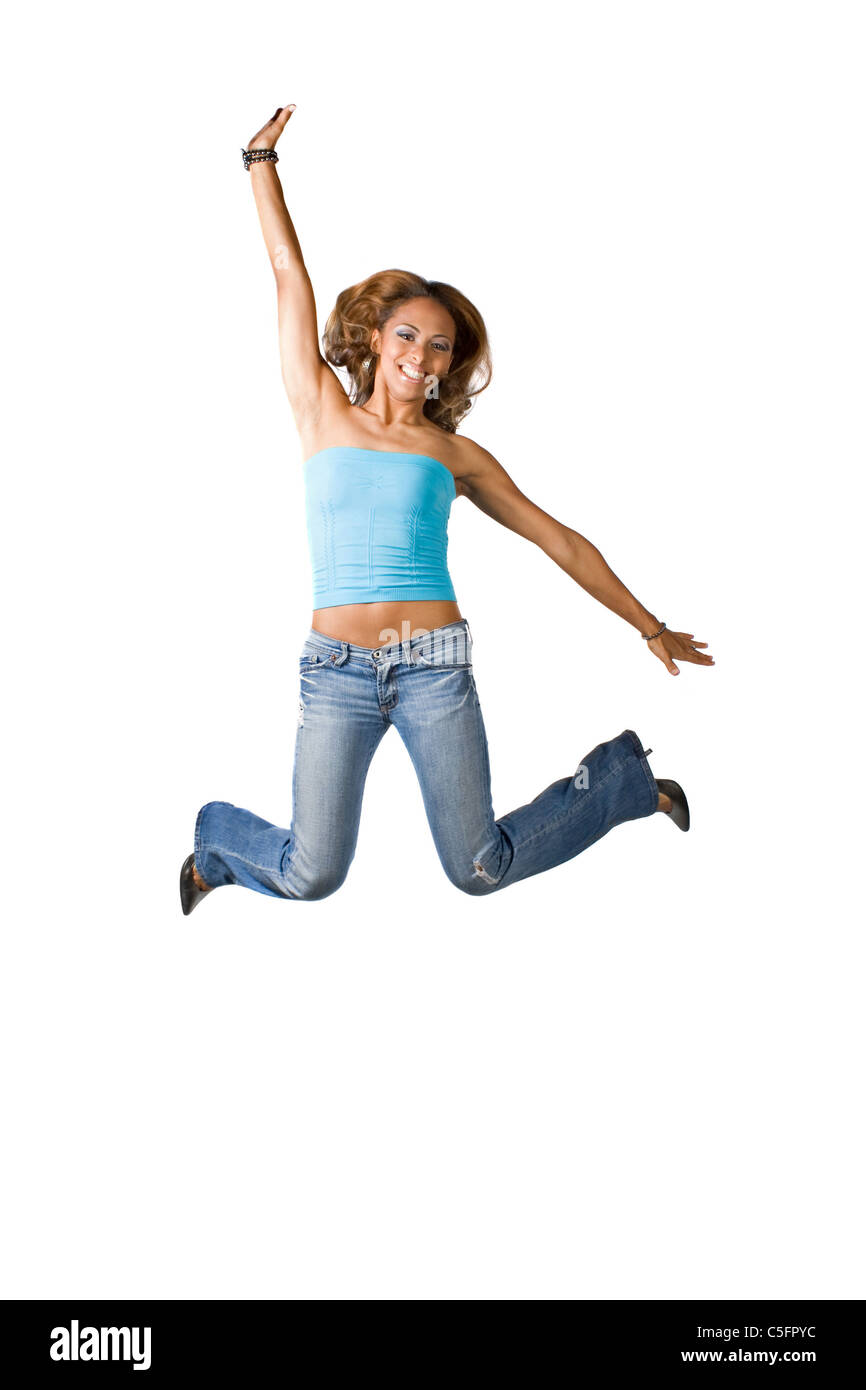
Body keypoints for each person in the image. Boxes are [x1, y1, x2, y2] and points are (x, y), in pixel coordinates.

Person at [180, 103, 714, 914]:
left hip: (433, 665)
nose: (420, 355)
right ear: (375, 336)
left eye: (439, 346)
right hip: (336, 673)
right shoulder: (320, 407)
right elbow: (290, 274)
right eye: (406, 335)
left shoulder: (454, 455)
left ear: (446, 365)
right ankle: (216, 845)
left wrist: (648, 623)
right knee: (309, 873)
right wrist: (260, 160)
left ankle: (626, 782)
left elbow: (558, 540)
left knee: (479, 867)